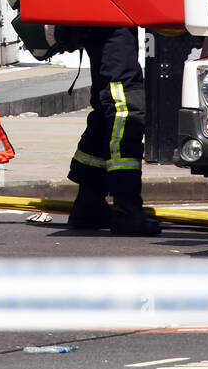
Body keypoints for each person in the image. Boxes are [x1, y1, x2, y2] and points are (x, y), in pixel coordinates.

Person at [64, 25, 161, 236]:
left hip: (106, 20)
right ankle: (126, 208)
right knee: (125, 107)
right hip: (112, 21)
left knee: (105, 107)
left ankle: (89, 203)